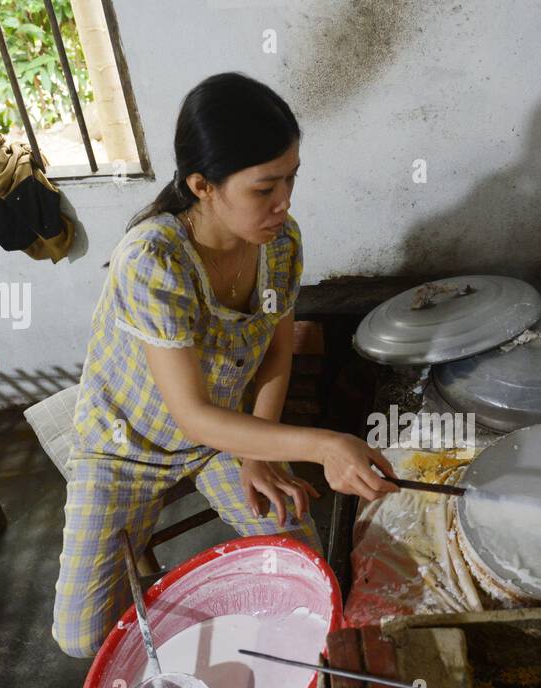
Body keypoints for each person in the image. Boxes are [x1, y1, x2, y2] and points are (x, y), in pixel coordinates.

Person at [52, 73, 397, 658]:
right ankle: (180, 623)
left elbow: (275, 352)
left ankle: (263, 646)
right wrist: (325, 446)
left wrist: (258, 450)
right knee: (81, 638)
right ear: (202, 186)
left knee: (307, 571)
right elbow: (190, 415)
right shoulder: (152, 261)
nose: (284, 201)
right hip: (125, 444)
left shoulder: (279, 243)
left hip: (225, 436)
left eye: (291, 178)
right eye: (265, 188)